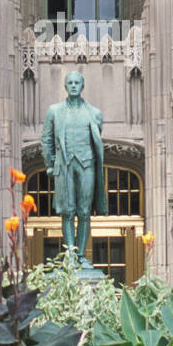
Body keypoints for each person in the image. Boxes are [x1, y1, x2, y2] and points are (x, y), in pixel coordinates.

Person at [40, 70, 108, 268]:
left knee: (84, 211)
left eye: (77, 82)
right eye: (70, 82)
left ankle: (81, 257)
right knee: (68, 212)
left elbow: (96, 139)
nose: (73, 85)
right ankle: (70, 254)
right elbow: (47, 139)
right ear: (65, 86)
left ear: (83, 85)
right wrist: (50, 164)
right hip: (66, 165)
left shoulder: (95, 113)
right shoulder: (54, 111)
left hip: (87, 165)